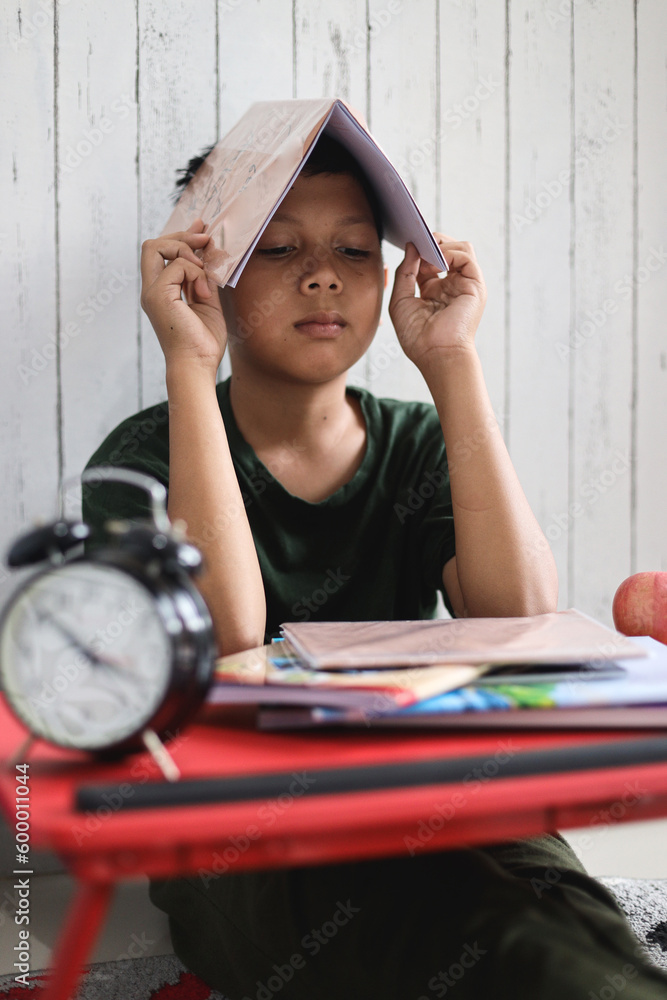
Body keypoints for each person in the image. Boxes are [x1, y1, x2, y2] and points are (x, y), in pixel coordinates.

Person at [83, 134, 667, 999]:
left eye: (354, 250)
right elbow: (226, 633)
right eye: (278, 249)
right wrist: (188, 361)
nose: (322, 275)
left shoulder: (417, 442)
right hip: (244, 835)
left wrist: (452, 361)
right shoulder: (138, 459)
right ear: (208, 274)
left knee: (560, 916)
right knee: (469, 933)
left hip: (435, 788)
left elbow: (520, 615)